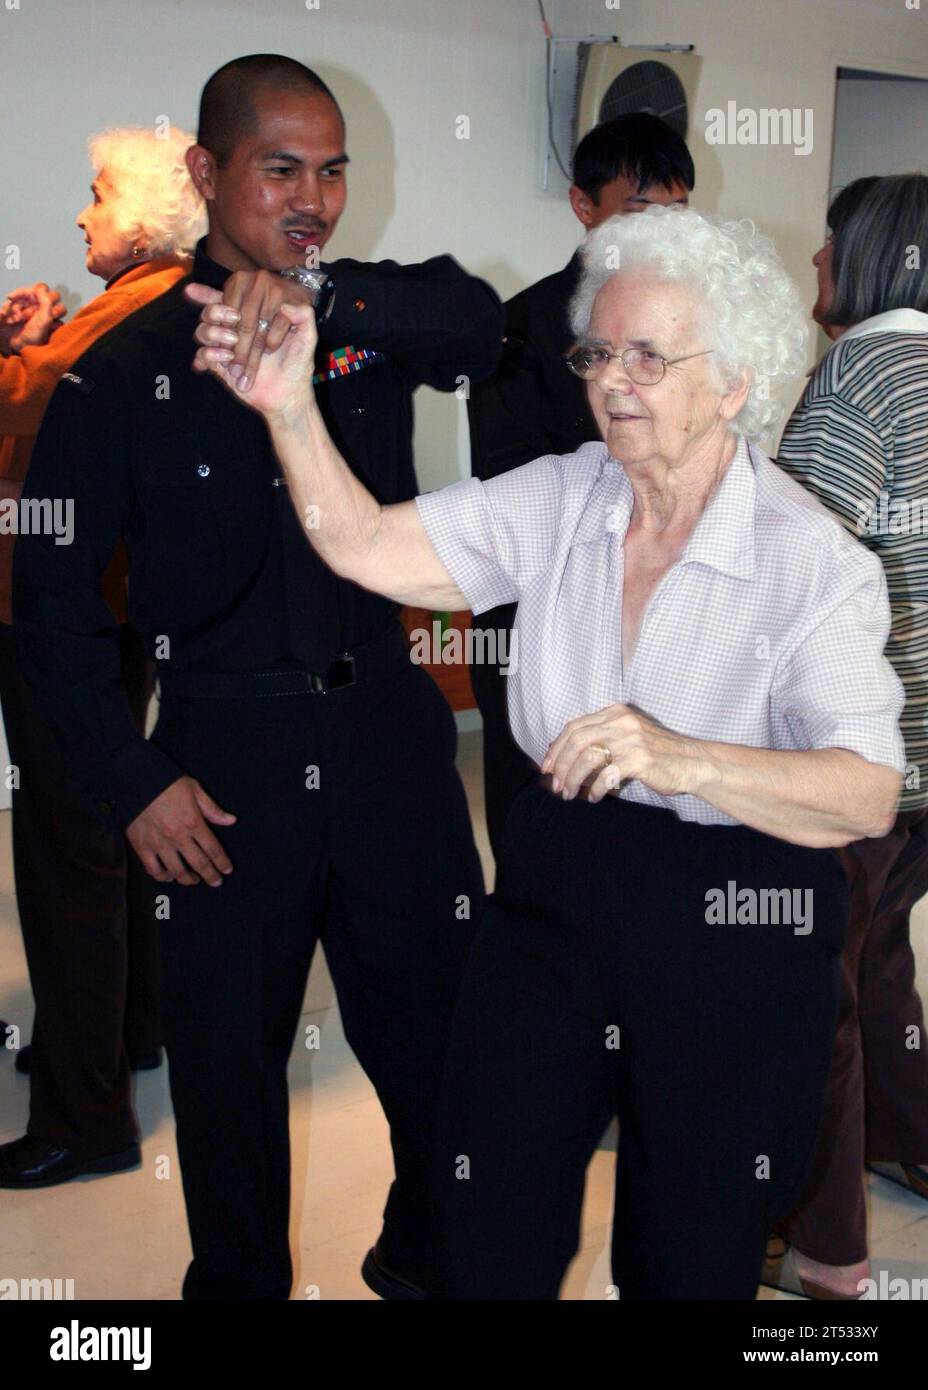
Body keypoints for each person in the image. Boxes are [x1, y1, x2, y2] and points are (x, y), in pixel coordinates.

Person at [193, 203, 906, 1299]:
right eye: (598, 350)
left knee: (690, 1243)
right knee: (487, 1203)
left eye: (650, 356)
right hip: (555, 881)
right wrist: (289, 409)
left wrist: (680, 757)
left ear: (733, 383)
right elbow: (367, 545)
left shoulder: (810, 563)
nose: (613, 379)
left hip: (736, 910)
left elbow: (864, 793)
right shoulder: (564, 495)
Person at [14, 54, 501, 1300]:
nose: (314, 195)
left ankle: (422, 1256)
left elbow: (479, 321)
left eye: (333, 169)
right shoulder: (118, 377)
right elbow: (52, 611)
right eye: (280, 168)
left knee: (452, 1053)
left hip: (392, 739)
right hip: (220, 772)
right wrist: (132, 782)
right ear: (206, 173)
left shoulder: (367, 329)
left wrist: (322, 304)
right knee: (229, 1087)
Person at [0, 125, 205, 1189]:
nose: (82, 213)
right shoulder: (136, 304)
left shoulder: (145, 304)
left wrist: (15, 355)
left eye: (95, 195)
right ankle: (126, 1035)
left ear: (142, 212)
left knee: (68, 854)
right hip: (102, 609)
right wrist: (34, 338)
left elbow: (39, 415)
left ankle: (85, 1116)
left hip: (67, 616)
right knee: (102, 834)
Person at [768, 173, 928, 1300]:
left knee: (811, 986)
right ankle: (908, 1137)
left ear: (868, 256)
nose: (815, 267)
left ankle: (825, 1248)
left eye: (828, 246)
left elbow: (800, 573)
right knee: (879, 955)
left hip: (866, 750)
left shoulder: (860, 374)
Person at [467, 113, 694, 869]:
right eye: (638, 212)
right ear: (582, 205)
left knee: (649, 835)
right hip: (539, 615)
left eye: (676, 212)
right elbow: (511, 488)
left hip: (662, 611)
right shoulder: (524, 324)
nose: (661, 233)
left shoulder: (701, 327)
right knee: (538, 824)